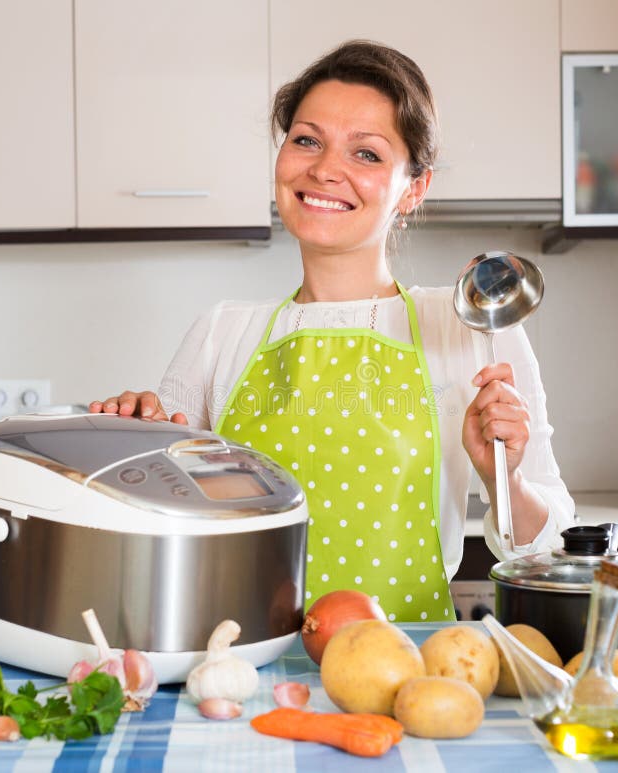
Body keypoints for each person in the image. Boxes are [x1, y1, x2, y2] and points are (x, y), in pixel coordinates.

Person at [90, 40, 575, 622]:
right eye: (306, 140)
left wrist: (504, 478)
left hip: (405, 661)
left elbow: (545, 551)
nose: (324, 169)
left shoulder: (467, 329)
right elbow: (155, 526)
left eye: (366, 153)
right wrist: (129, 439)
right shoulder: (221, 333)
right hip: (244, 659)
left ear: (413, 188)